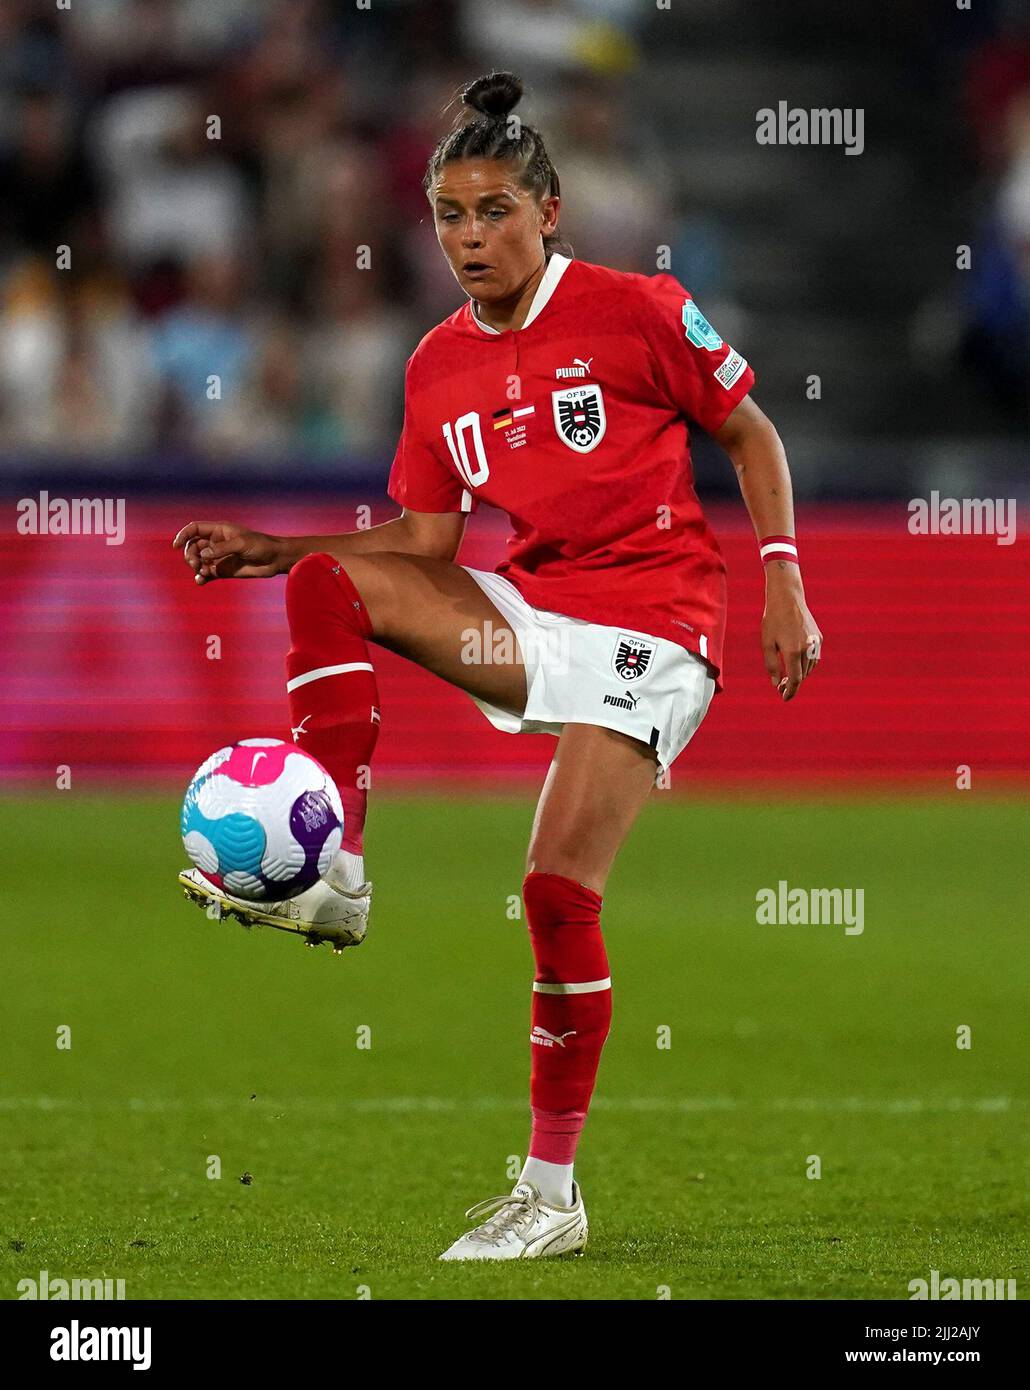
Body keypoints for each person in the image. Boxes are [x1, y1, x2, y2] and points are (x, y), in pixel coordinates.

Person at [173, 71, 823, 1262]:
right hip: (533, 616)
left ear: (549, 210)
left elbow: (749, 428)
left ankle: (551, 1192)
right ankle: (337, 862)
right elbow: (423, 547)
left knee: (556, 896)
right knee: (329, 585)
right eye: (449, 218)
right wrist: (278, 549)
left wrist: (781, 572)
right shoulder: (434, 366)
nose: (471, 238)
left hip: (656, 628)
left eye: (493, 213)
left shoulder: (635, 310)